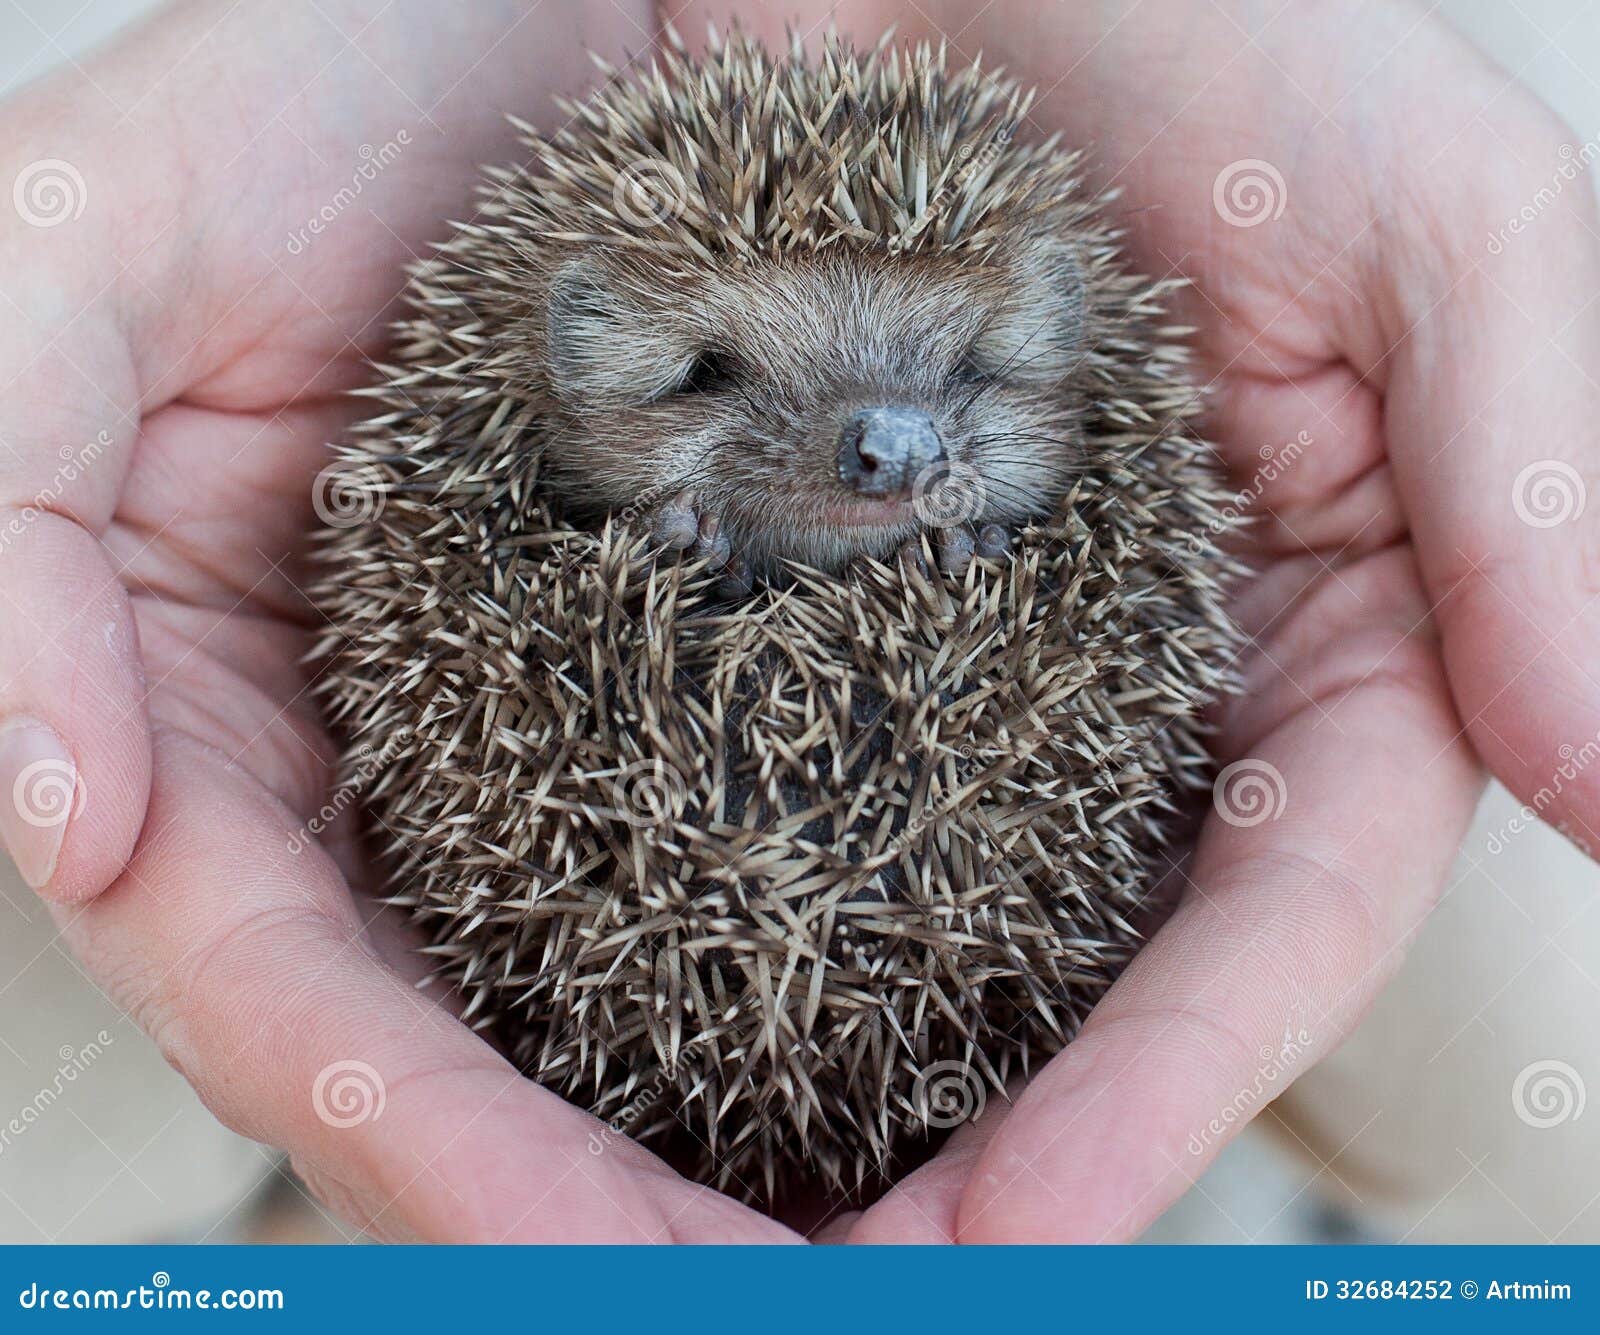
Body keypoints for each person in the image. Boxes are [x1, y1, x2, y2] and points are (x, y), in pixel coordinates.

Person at [0, 0, 1591, 1243]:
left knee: (1539, 1078)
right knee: (48, 1142)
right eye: (717, 375)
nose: (883, 444)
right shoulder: (498, 492)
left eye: (957, 375)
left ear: (1038, 338)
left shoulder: (1081, 494)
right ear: (577, 369)